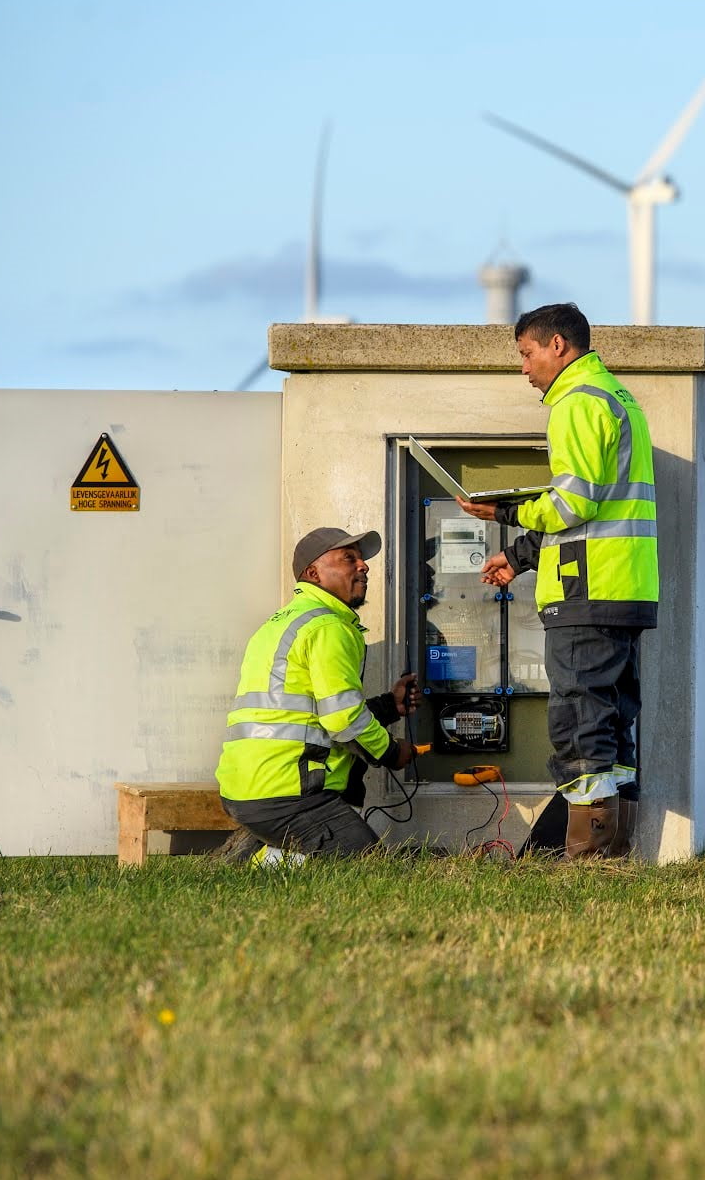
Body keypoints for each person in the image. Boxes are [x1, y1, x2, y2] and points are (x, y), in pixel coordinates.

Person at [459, 302, 658, 859]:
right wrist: (521, 556)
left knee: (579, 724)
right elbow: (599, 505)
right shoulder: (618, 398)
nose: (523, 368)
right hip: (624, 587)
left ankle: (587, 858)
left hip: (584, 590)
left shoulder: (574, 404)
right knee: (614, 726)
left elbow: (571, 503)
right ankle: (614, 853)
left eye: (526, 354)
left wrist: (505, 512)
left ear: (558, 347)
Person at [217, 527, 421, 857]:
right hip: (290, 792)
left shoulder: (281, 623)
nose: (364, 566)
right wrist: (391, 752)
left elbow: (311, 712)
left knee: (314, 860)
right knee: (372, 871)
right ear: (313, 573)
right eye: (348, 559)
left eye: (361, 559)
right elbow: (342, 720)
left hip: (246, 787)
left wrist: (389, 706)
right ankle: (264, 854)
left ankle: (261, 854)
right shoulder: (329, 627)